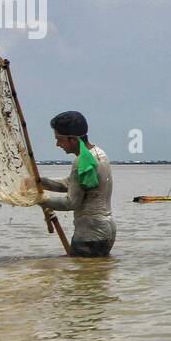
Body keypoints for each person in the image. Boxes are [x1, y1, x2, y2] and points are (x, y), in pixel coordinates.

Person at [40, 110, 116, 257]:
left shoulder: (82, 161)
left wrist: (42, 200)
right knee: (93, 277)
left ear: (73, 139)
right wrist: (41, 182)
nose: (57, 144)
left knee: (81, 278)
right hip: (106, 231)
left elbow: (71, 203)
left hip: (90, 234)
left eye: (59, 139)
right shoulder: (99, 154)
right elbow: (71, 183)